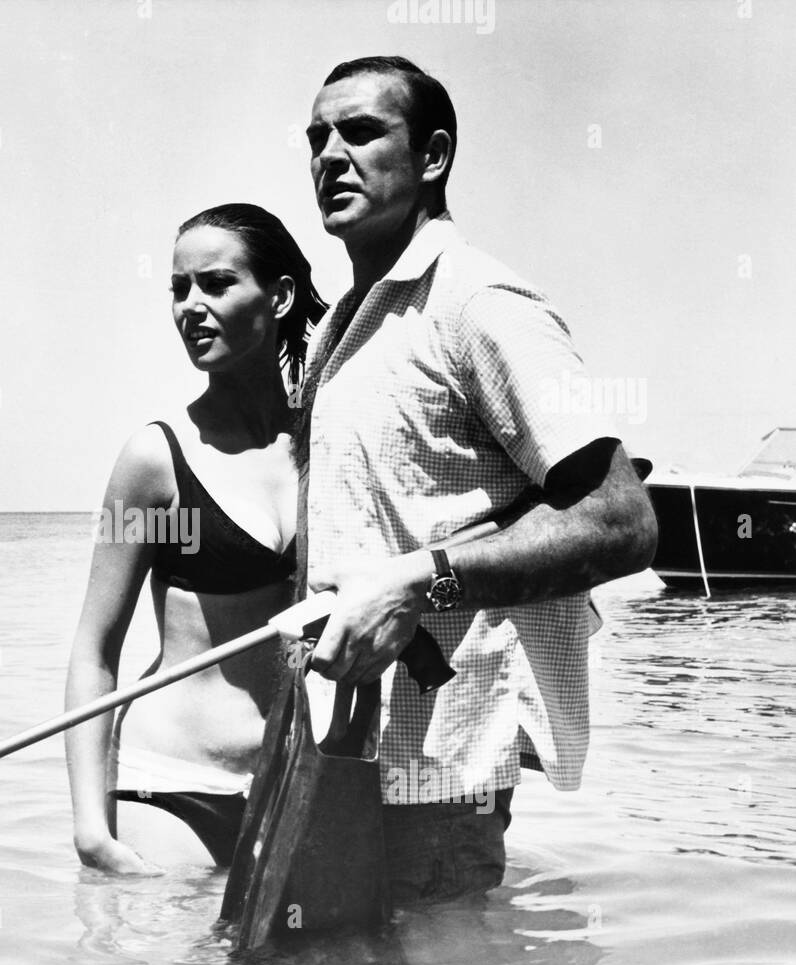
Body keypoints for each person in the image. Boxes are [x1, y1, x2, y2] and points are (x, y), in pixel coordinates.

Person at [295, 57, 658, 904]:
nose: (329, 156)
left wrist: (421, 581)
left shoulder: (483, 303)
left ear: (433, 156)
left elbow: (623, 521)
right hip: (346, 744)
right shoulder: (339, 330)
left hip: (445, 757)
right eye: (316, 138)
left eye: (360, 132)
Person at [64, 204, 327, 874]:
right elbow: (97, 648)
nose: (191, 307)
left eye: (215, 284)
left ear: (281, 297)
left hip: (291, 781)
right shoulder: (153, 463)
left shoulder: (327, 447)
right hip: (169, 786)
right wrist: (92, 829)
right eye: (179, 289)